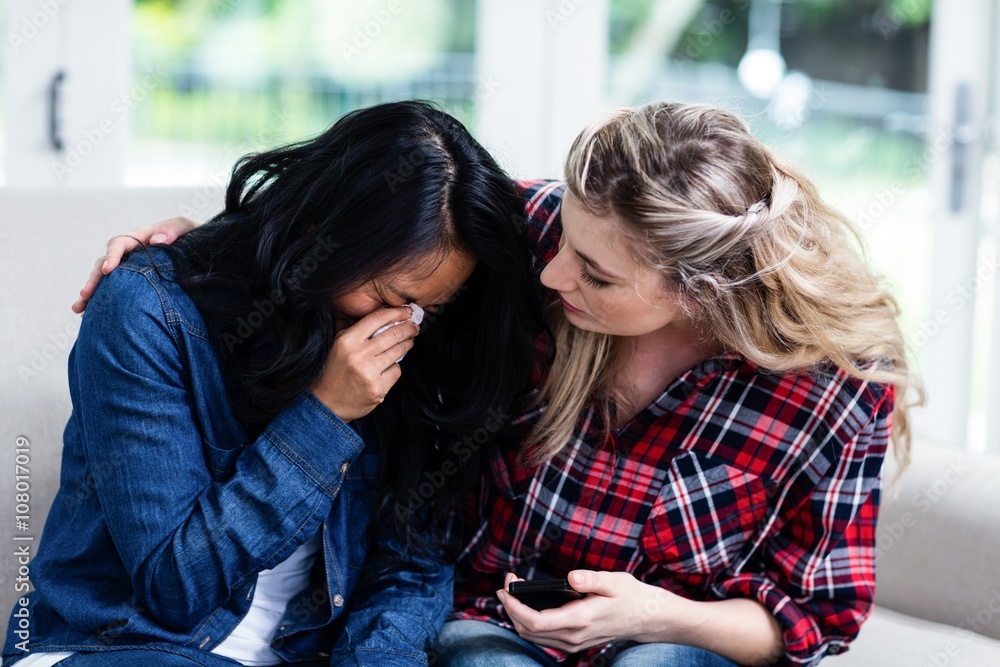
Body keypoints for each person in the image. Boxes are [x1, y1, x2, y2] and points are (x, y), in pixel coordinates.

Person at [74, 101, 917, 667]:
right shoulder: (533, 239)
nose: (551, 274)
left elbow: (818, 616)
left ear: (695, 291)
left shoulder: (836, 389)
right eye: (560, 240)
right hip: (484, 622)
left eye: (593, 273)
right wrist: (202, 247)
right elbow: (364, 201)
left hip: (661, 639)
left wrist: (657, 614)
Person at [2, 101, 541, 667]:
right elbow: (175, 586)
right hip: (129, 649)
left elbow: (409, 566)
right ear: (320, 229)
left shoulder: (408, 344)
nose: (397, 326)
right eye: (386, 298)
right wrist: (325, 417)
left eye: (423, 309)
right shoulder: (146, 312)